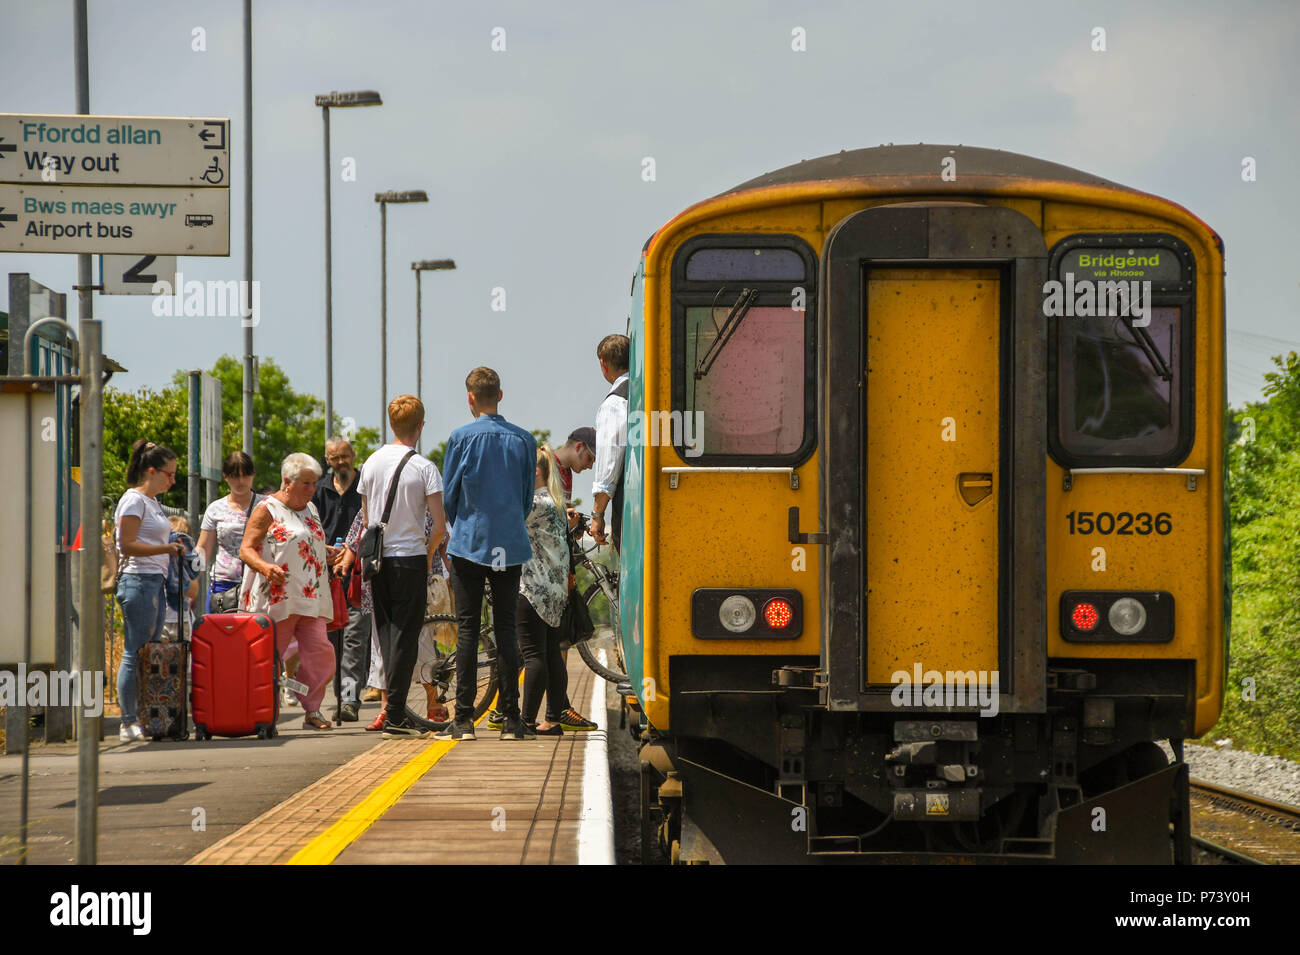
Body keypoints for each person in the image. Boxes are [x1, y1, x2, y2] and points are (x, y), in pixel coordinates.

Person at [435, 367, 536, 742]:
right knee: (507, 628)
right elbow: (526, 496)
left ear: (470, 398)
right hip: (508, 544)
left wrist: (461, 524)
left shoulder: (461, 438)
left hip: (469, 544)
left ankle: (463, 721)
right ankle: (511, 718)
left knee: (467, 631)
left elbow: (450, 495)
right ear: (501, 394)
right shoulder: (524, 440)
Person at [357, 395, 447, 739]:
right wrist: (427, 555)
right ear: (420, 427)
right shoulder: (424, 467)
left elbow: (368, 521)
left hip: (377, 561)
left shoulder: (370, 464)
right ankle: (395, 714)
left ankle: (392, 710)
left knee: (386, 634)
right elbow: (439, 525)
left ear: (391, 424)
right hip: (410, 559)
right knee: (406, 637)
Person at [239, 452, 340, 730]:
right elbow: (246, 549)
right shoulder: (267, 508)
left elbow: (306, 541)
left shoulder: (311, 509)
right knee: (269, 659)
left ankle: (310, 706)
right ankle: (262, 713)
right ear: (287, 481)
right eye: (306, 483)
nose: (313, 489)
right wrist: (265, 567)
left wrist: (325, 551)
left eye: (314, 483)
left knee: (321, 654)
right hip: (279, 598)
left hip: (309, 595)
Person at [113, 440, 186, 742]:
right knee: (134, 651)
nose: (172, 481)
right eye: (168, 474)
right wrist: (165, 547)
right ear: (152, 471)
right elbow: (126, 543)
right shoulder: (134, 500)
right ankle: (127, 720)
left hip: (153, 581)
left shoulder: (153, 503)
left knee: (148, 652)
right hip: (138, 580)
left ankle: (144, 716)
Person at [313, 436, 369, 722]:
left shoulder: (365, 489)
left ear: (353, 454)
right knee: (330, 645)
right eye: (334, 458)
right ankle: (337, 699)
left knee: (354, 645)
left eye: (345, 457)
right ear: (327, 460)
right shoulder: (318, 491)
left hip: (357, 578)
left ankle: (348, 701)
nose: (341, 463)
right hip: (325, 579)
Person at [517, 446, 573, 735]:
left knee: (533, 655)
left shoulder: (534, 504)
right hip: (554, 590)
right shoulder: (555, 502)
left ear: (535, 472)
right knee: (551, 653)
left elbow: (505, 520)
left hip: (533, 589)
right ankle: (552, 719)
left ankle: (526, 721)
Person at [197, 451, 259, 612]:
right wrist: (192, 581)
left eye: (245, 475)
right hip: (223, 585)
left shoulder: (266, 505)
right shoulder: (215, 508)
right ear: (225, 476)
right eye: (234, 476)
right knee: (220, 635)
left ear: (253, 475)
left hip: (258, 582)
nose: (240, 481)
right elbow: (203, 549)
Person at [591, 334, 630, 551]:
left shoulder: (615, 402)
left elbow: (609, 462)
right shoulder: (647, 391)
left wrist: (598, 514)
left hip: (629, 505)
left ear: (603, 365)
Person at [162, 516, 200, 640]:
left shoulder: (187, 562)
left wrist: (180, 568)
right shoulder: (157, 560)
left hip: (180, 619)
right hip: (160, 619)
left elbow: (193, 592)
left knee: (182, 655)